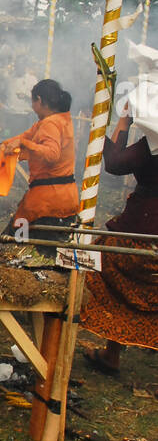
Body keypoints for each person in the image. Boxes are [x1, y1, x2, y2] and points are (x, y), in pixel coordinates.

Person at [80, 101, 158, 375]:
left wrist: (121, 123)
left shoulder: (151, 147)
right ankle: (111, 355)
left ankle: (112, 354)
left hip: (141, 232)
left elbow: (113, 164)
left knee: (103, 270)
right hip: (145, 229)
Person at [0, 79, 79, 233]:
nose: (32, 107)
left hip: (48, 202)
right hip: (64, 197)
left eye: (32, 102)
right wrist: (5, 144)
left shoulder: (51, 124)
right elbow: (27, 135)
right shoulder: (58, 120)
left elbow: (51, 154)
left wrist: (23, 144)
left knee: (12, 242)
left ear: (39, 100)